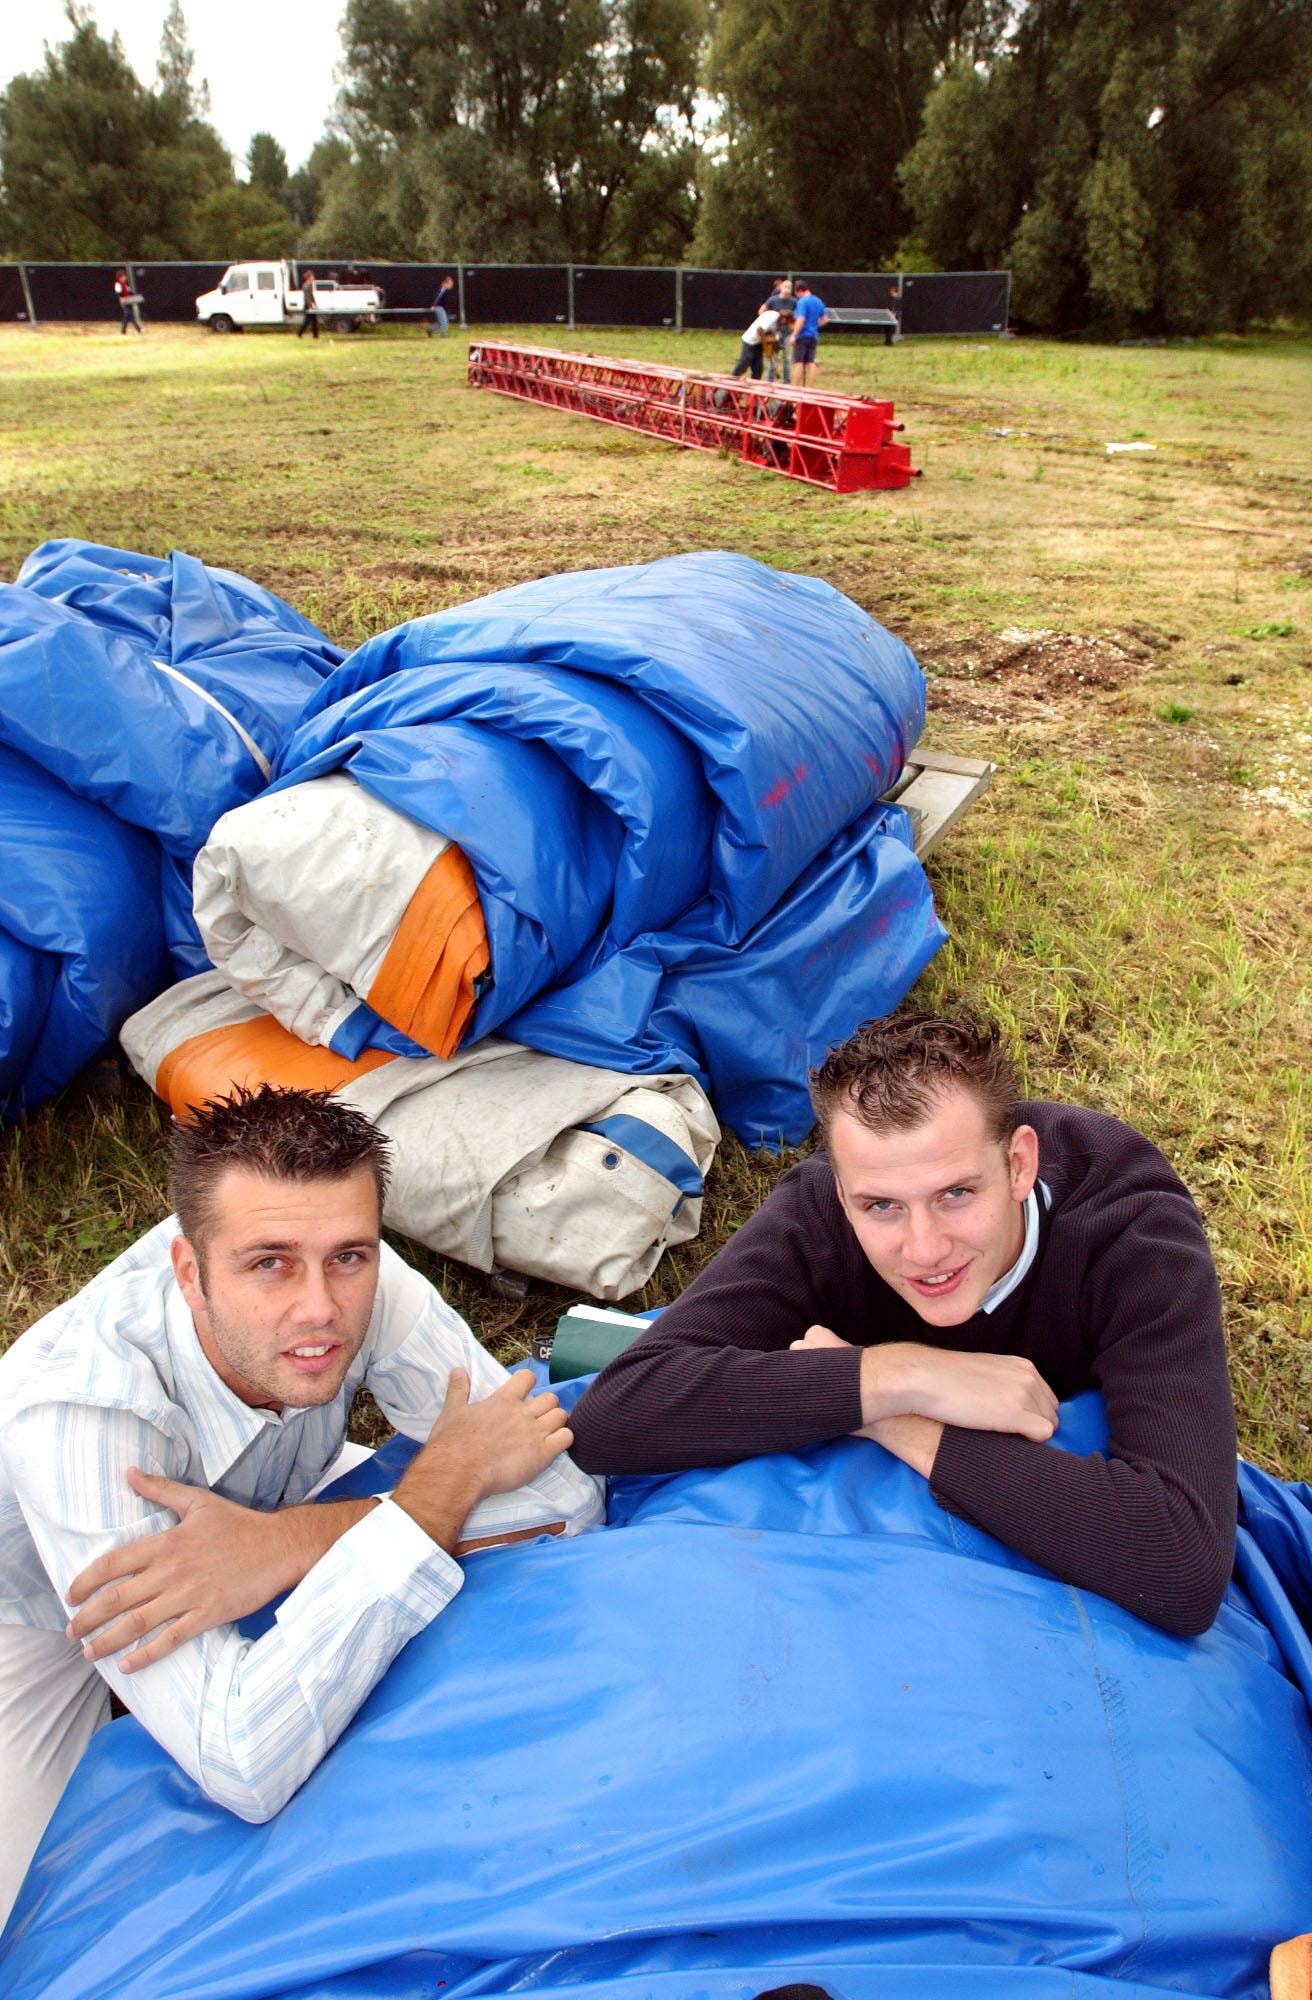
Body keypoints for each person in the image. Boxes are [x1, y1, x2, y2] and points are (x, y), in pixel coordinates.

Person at [0, 1085, 601, 1925]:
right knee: (30, 1922)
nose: (319, 1307)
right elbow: (242, 1765)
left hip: (271, 1502)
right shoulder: (83, 1411)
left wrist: (284, 1543)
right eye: (268, 1263)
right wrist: (433, 1494)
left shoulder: (373, 1282)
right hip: (37, 1610)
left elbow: (563, 1499)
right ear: (189, 1270)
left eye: (348, 1257)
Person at [570, 1013, 1238, 1637]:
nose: (924, 1249)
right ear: (840, 1190)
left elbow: (1181, 1563)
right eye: (881, 1206)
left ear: (1018, 1165)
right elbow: (611, 1419)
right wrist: (897, 1375)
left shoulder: (1132, 1228)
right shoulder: (821, 1213)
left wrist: (897, 1422)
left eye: (956, 1194)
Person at [789, 281, 828, 386]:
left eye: (797, 294)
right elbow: (824, 319)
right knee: (811, 362)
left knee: (798, 362)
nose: (797, 297)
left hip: (802, 336)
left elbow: (801, 319)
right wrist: (814, 326)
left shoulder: (802, 302)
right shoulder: (818, 301)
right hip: (813, 336)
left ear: (799, 291)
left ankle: (795, 388)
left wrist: (794, 334)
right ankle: (810, 388)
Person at [730, 304, 780, 380]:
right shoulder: (773, 317)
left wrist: (773, 344)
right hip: (750, 339)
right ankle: (731, 380)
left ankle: (755, 384)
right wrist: (765, 345)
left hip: (759, 342)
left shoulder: (778, 321)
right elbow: (759, 329)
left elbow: (773, 334)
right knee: (745, 360)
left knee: (758, 367)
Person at [760, 278, 794, 384]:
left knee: (787, 359)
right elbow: (761, 311)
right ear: (781, 289)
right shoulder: (772, 300)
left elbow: (797, 317)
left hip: (787, 333)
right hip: (774, 333)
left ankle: (786, 382)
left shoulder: (794, 302)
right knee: (772, 358)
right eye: (784, 292)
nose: (786, 294)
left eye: (788, 292)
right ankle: (770, 381)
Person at [113, 269, 143, 335]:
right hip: (124, 302)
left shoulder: (125, 285)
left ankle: (124, 331)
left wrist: (136, 295)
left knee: (128, 316)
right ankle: (138, 329)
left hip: (129, 302)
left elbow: (130, 292)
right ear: (119, 278)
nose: (125, 278)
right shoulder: (118, 284)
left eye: (125, 277)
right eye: (123, 277)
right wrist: (120, 299)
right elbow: (117, 294)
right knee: (128, 315)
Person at [427, 273, 456, 337]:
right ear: (446, 283)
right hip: (438, 307)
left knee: (439, 322)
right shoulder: (442, 289)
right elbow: (437, 297)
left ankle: (430, 330)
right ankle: (443, 334)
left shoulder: (443, 289)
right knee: (444, 321)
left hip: (439, 307)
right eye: (450, 284)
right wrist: (433, 305)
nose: (451, 286)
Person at [297, 269, 319, 340]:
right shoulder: (306, 286)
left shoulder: (310, 285)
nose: (314, 278)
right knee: (307, 321)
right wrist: (310, 306)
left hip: (310, 305)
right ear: (309, 277)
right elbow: (307, 297)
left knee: (314, 321)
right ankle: (299, 333)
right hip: (307, 306)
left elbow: (311, 295)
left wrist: (315, 304)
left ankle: (315, 336)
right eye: (312, 277)